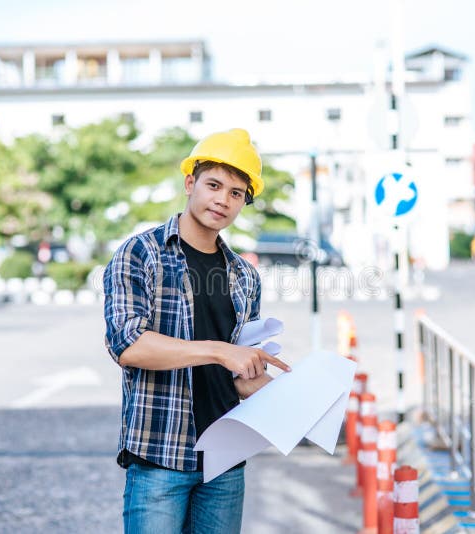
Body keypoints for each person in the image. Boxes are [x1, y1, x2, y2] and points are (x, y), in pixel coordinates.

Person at [104, 128, 291, 533]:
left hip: (225, 459)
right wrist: (220, 350)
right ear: (190, 183)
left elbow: (239, 376)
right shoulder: (141, 254)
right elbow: (128, 344)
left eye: (237, 193)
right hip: (159, 456)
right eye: (214, 185)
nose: (223, 199)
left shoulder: (244, 275)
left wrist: (291, 397)